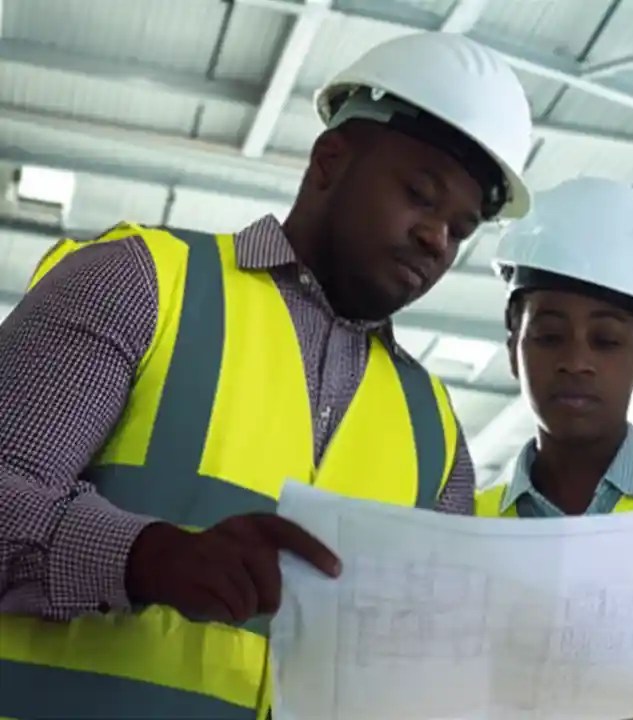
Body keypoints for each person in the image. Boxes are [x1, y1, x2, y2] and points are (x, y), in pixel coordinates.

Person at [0, 31, 533, 720]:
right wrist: (142, 556)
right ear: (330, 162)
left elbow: (435, 665)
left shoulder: (433, 431)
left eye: (460, 229)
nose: (437, 239)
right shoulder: (142, 284)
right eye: (419, 196)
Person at [474, 176, 633, 518]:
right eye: (550, 336)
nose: (575, 362)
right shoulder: (469, 527)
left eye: (605, 341)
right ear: (513, 348)